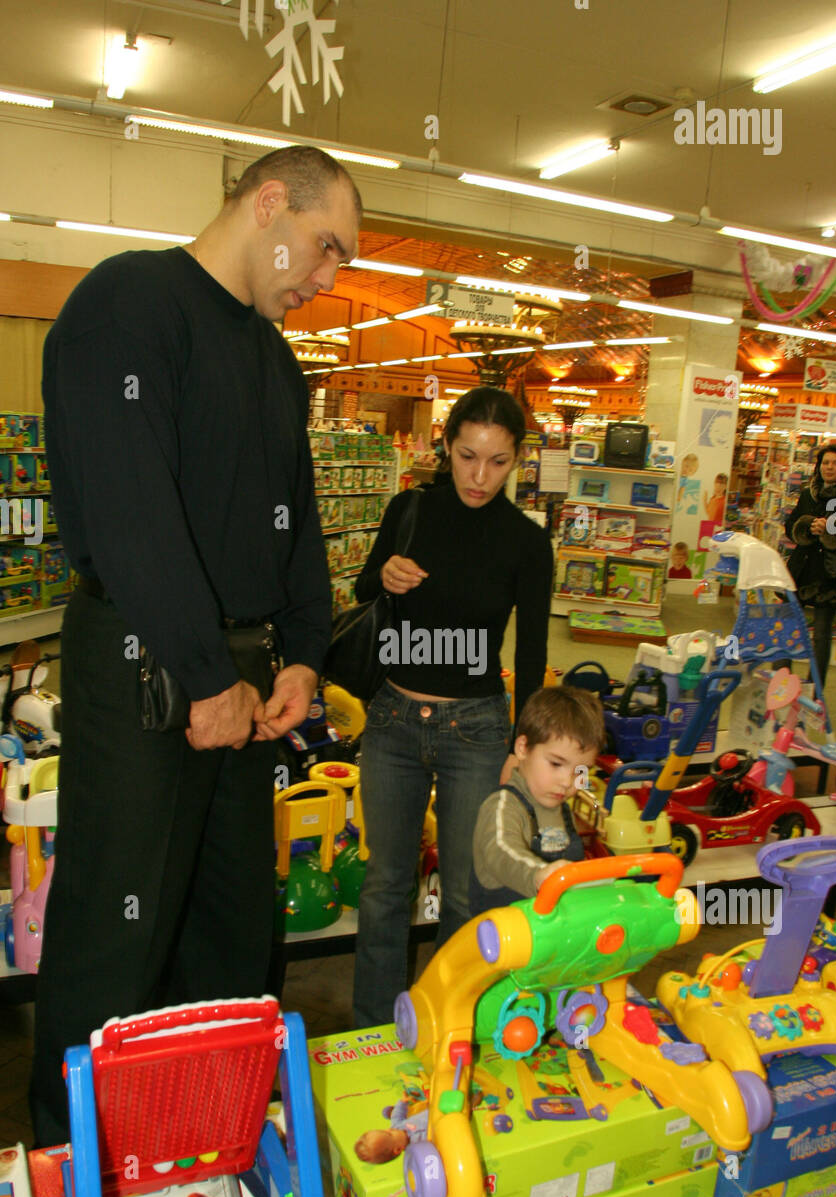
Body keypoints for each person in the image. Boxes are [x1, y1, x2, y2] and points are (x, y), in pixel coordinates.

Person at [31, 146, 362, 1146]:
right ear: (269, 203)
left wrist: (303, 651)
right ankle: (69, 1175)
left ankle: (200, 1149)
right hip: (145, 666)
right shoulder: (127, 305)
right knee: (115, 934)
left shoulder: (274, 360)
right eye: (324, 246)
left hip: (246, 679)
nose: (327, 277)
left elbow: (297, 522)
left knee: (228, 932)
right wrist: (202, 672)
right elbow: (132, 517)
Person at [352, 386, 554, 1027]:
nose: (479, 475)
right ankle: (376, 1031)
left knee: (470, 892)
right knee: (386, 885)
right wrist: (383, 575)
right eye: (468, 456)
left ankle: (445, 1024)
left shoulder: (526, 541)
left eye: (497, 462)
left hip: (477, 730)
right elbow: (362, 591)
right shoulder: (409, 509)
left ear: (517, 458)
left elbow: (533, 651)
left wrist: (526, 749)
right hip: (391, 723)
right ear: (446, 445)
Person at [469, 685, 603, 913]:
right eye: (556, 764)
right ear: (522, 748)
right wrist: (538, 875)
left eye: (581, 770)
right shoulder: (502, 806)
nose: (567, 781)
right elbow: (501, 850)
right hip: (502, 939)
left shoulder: (563, 810)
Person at [784, 440, 836, 690]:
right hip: (802, 569)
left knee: (821, 634)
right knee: (787, 625)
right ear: (819, 466)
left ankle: (815, 688)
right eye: (826, 463)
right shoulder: (809, 493)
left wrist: (831, 529)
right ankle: (782, 681)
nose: (829, 467)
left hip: (831, 573)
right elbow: (791, 526)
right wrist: (809, 525)